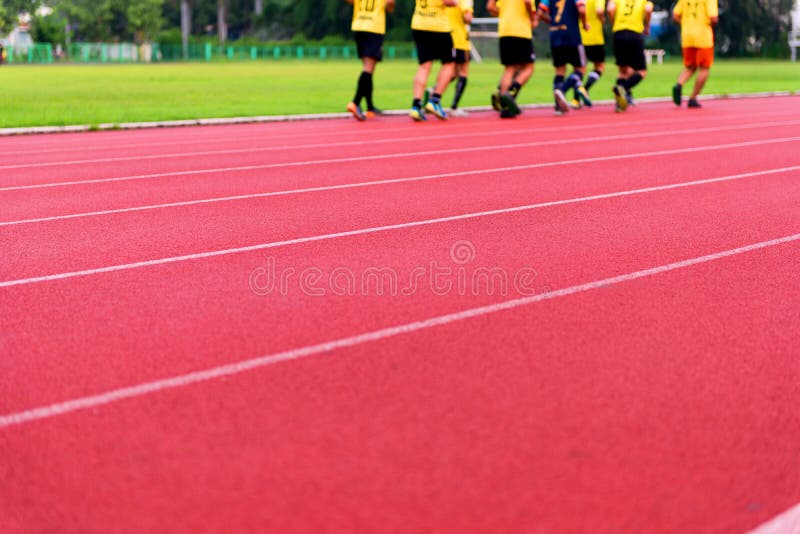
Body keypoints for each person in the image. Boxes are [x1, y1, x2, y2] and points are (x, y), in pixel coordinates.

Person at [537, 0, 591, 114]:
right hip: (571, 33)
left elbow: (540, 13)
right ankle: (563, 90)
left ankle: (558, 106)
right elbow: (581, 9)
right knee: (581, 68)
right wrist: (584, 23)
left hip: (555, 34)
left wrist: (552, 22)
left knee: (559, 70)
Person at [345, 0, 395, 121]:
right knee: (368, 68)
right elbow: (390, 6)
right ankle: (355, 102)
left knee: (368, 69)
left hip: (359, 26)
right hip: (374, 27)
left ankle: (370, 107)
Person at [487, 0, 537, 118]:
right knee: (529, 67)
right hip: (521, 31)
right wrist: (532, 17)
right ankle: (511, 93)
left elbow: (490, 7)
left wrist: (506, 14)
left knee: (510, 68)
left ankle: (505, 107)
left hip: (505, 31)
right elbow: (528, 2)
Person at [410, 0, 460, 121]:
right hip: (437, 25)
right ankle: (435, 100)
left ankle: (416, 106)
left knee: (424, 66)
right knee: (449, 64)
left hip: (419, 23)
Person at [607, 0, 653, 112]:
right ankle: (623, 89)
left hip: (618, 34)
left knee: (623, 71)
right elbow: (648, 9)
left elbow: (610, 9)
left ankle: (619, 103)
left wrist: (614, 23)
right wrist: (647, 25)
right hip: (634, 33)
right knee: (641, 71)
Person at [671, 0, 719, 108]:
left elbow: (675, 16)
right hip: (703, 37)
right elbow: (714, 18)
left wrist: (685, 24)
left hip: (687, 36)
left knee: (690, 67)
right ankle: (693, 98)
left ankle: (679, 84)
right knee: (704, 68)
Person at [575, 0, 606, 107]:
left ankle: (575, 100)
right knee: (600, 67)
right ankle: (585, 88)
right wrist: (602, 20)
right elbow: (599, 10)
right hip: (595, 37)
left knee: (580, 69)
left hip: (579, 36)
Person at [448, 0, 475, 116]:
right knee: (463, 72)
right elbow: (468, 17)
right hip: (459, 38)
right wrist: (470, 18)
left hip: (447, 35)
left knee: (452, 72)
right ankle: (454, 107)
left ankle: (434, 91)